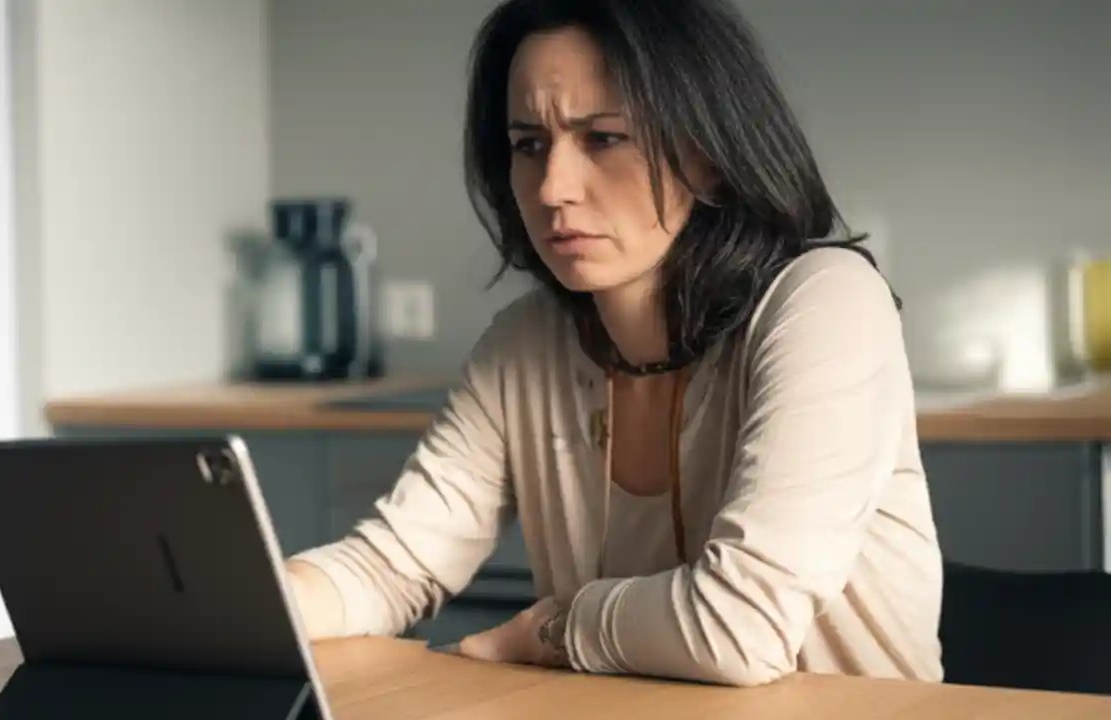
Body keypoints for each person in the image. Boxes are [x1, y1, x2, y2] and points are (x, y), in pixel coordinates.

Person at [286, 0, 942, 687]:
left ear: (710, 156)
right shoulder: (524, 346)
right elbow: (396, 564)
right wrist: (255, 604)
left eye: (603, 138)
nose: (552, 188)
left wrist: (554, 627)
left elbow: (741, 627)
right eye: (528, 145)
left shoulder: (826, 300)